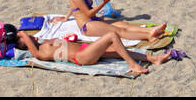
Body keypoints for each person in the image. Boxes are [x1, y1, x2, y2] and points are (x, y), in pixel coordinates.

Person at [15, 28, 170, 75]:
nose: (32, 37)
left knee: (118, 50)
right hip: (81, 57)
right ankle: (133, 65)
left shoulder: (44, 43)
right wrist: (21, 35)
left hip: (84, 50)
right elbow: (34, 53)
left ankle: (153, 59)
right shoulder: (40, 53)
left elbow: (42, 39)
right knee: (111, 35)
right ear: (27, 45)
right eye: (28, 38)